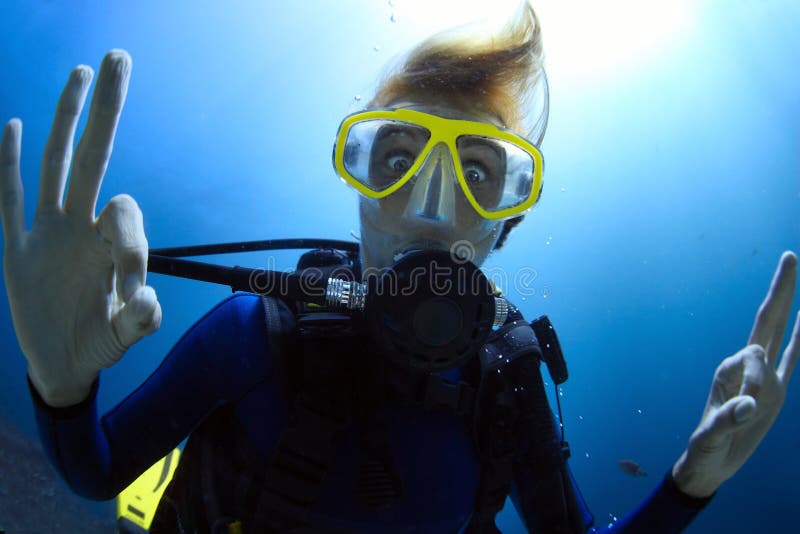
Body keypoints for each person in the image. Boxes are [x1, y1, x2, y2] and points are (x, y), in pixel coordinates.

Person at [1, 3, 798, 533]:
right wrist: (62, 388)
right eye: (394, 158)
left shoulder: (506, 383)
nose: (426, 206)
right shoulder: (263, 332)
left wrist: (692, 480)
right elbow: (97, 472)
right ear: (355, 192)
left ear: (505, 226)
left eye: (479, 173)